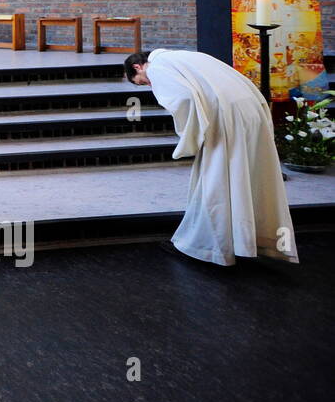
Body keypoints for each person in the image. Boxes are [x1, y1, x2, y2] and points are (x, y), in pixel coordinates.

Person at [125, 49, 298, 265]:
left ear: (137, 67)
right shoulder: (186, 55)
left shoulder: (157, 67)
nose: (149, 85)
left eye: (142, 83)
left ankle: (208, 247)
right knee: (248, 176)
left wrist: (189, 137)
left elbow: (184, 99)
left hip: (226, 118)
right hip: (251, 110)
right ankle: (249, 240)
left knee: (216, 181)